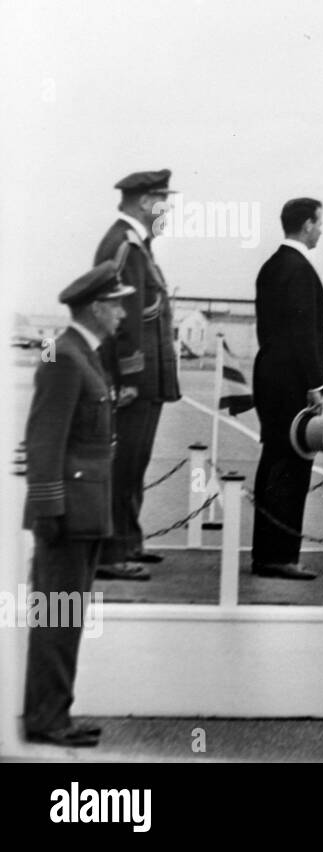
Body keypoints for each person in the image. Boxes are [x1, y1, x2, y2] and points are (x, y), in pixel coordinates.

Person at [23, 262, 134, 746]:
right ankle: (47, 719)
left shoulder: (82, 354)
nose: (123, 315)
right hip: (66, 514)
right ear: (95, 308)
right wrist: (48, 512)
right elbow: (44, 441)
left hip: (85, 510)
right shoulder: (63, 356)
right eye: (116, 306)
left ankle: (53, 713)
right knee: (57, 618)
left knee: (65, 618)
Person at [92, 169, 181, 581]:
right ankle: (111, 555)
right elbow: (121, 320)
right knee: (122, 465)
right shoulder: (125, 246)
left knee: (135, 463)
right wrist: (126, 379)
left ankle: (128, 541)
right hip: (134, 380)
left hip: (147, 378)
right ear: (146, 203)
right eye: (165, 201)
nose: (169, 210)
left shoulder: (137, 247)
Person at [250, 198, 323, 580]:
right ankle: (279, 556)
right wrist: (315, 384)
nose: (321, 230)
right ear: (307, 225)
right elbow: (303, 333)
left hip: (270, 375)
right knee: (291, 467)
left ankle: (268, 552)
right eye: (319, 222)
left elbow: (269, 330)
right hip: (293, 382)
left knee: (274, 462)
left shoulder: (271, 267)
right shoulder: (299, 270)